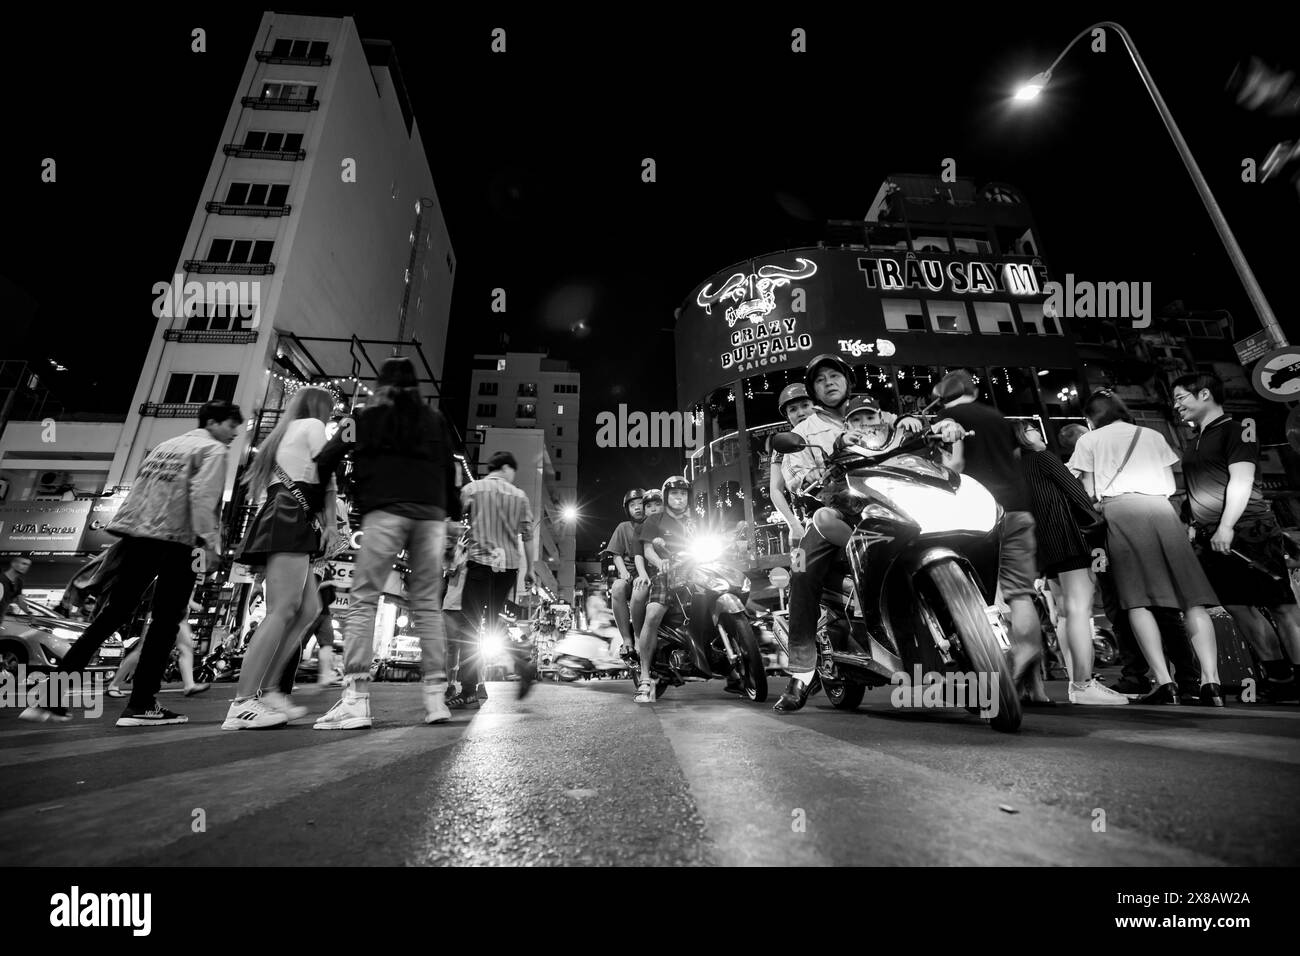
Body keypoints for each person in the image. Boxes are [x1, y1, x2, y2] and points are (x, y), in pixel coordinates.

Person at [20, 400, 242, 726]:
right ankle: (141, 704)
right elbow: (204, 498)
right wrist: (209, 545)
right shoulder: (213, 451)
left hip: (138, 537)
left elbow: (140, 489)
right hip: (178, 541)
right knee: (167, 622)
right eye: (231, 425)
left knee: (113, 616)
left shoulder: (167, 446)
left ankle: (48, 699)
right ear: (212, 422)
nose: (235, 433)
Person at [313, 357, 463, 729]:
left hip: (384, 513)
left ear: (380, 385)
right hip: (430, 515)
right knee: (428, 606)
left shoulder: (361, 418)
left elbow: (327, 458)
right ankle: (435, 700)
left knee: (364, 600)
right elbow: (451, 469)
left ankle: (357, 699)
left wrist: (334, 497)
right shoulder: (435, 420)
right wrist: (451, 514)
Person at [773, 354, 927, 713]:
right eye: (821, 379)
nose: (829, 382)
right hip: (837, 508)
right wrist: (812, 476)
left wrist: (920, 422)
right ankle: (801, 673)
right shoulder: (804, 432)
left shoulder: (871, 410)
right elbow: (795, 480)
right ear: (815, 390)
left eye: (835, 375)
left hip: (891, 501)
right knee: (801, 570)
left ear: (847, 380)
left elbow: (908, 427)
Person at [1068, 390, 1224, 706]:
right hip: (1163, 512)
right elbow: (1170, 484)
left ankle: (1165, 683)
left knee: (1136, 600)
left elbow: (1087, 492)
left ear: (1091, 418)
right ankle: (1211, 683)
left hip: (1120, 513)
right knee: (1190, 598)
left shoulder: (1090, 441)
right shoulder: (1151, 434)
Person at [1173, 372, 1300, 701]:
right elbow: (1195, 492)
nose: (1177, 405)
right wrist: (1193, 527)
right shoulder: (1194, 440)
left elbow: (1241, 479)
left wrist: (1227, 525)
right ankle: (1280, 677)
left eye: (1181, 398)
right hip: (1209, 537)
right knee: (1237, 605)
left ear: (1204, 394)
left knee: (1281, 605)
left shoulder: (1239, 427)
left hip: (1250, 529)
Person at [223, 386, 338, 730]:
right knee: (284, 609)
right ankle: (244, 702)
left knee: (307, 610)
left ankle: (269, 690)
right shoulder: (313, 427)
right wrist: (331, 524)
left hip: (282, 511)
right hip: (292, 514)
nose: (331, 414)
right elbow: (327, 475)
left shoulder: (282, 433)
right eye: (330, 408)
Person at [1058, 423, 1198, 698]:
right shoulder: (1137, 447)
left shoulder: (1079, 465)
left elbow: (1083, 501)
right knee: (1160, 605)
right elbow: (1171, 484)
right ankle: (1186, 678)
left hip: (1105, 541)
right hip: (1140, 533)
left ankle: (1144, 676)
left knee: (1123, 608)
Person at [930, 371, 1044, 700]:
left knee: (977, 595)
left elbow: (958, 463)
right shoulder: (998, 417)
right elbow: (1014, 458)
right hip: (1019, 509)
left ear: (943, 394)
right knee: (1020, 593)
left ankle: (997, 669)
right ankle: (1032, 680)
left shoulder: (947, 418)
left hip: (979, 511)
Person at [1013, 421, 1127, 705]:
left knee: (1064, 613)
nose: (1038, 433)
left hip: (1043, 546)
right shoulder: (1044, 458)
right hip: (1068, 539)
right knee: (1079, 611)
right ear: (1022, 437)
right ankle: (1083, 684)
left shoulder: (1017, 468)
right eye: (1030, 430)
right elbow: (1076, 494)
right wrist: (1097, 519)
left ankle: (1074, 681)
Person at [443, 450, 538, 708]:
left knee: (469, 625)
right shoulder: (520, 496)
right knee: (494, 621)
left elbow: (453, 518)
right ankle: (522, 664)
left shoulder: (473, 489)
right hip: (508, 567)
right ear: (506, 468)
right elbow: (527, 535)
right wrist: (530, 569)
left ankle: (469, 688)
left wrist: (451, 544)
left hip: (480, 563)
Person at [633, 475, 697, 702]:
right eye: (674, 494)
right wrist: (661, 563)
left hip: (697, 572)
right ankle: (644, 676)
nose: (679, 498)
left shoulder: (696, 519)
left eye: (683, 494)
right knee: (653, 614)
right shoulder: (655, 519)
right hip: (666, 574)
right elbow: (648, 550)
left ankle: (735, 671)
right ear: (667, 497)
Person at [107, 596, 210, 698]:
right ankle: (114, 685)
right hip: (160, 613)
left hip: (179, 617)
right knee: (142, 650)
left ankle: (189, 685)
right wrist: (195, 605)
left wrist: (193, 604)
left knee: (186, 648)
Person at [276, 568, 341, 695]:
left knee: (327, 643)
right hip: (310, 610)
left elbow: (330, 594)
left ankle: (325, 675)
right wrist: (329, 583)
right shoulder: (313, 564)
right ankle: (285, 679)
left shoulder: (327, 569)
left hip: (324, 612)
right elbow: (309, 586)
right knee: (298, 644)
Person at [769, 383, 818, 545]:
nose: (801, 413)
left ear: (815, 406)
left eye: (805, 405)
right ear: (787, 416)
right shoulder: (783, 445)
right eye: (793, 409)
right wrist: (794, 524)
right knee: (802, 569)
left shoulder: (833, 430)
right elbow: (775, 489)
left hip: (846, 507)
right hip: (807, 521)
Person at [604, 488, 650, 660]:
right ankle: (629, 639)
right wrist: (623, 572)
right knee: (617, 587)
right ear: (627, 509)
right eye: (632, 505)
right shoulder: (623, 527)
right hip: (631, 576)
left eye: (640, 503)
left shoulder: (656, 525)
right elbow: (616, 554)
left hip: (654, 575)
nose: (637, 507)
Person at [1, 556, 34, 628]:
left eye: (28, 565)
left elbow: (20, 601)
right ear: (13, 563)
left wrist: (30, 614)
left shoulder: (19, 582)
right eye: (23, 563)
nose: (26, 567)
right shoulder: (1, 579)